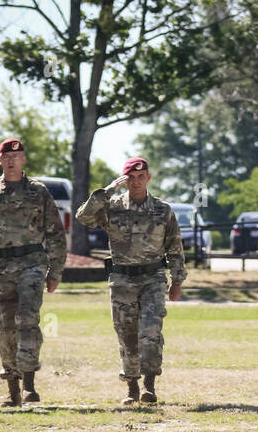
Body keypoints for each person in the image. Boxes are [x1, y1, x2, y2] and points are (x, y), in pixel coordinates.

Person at [0, 139, 68, 407]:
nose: (10, 160)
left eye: (16, 156)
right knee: (6, 326)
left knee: (27, 319)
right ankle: (12, 388)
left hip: (31, 262)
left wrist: (55, 270)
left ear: (24, 159)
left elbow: (55, 231)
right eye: (5, 157)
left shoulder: (38, 191)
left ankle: (29, 382)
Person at [75, 157, 185, 404]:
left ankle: (149, 386)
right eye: (130, 178)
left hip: (153, 279)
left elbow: (174, 246)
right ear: (124, 181)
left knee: (150, 331)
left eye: (140, 176)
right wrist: (108, 191)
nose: (136, 182)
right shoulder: (112, 207)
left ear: (148, 177)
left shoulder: (162, 210)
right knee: (127, 334)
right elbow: (83, 217)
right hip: (122, 278)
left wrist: (177, 280)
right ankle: (132, 388)